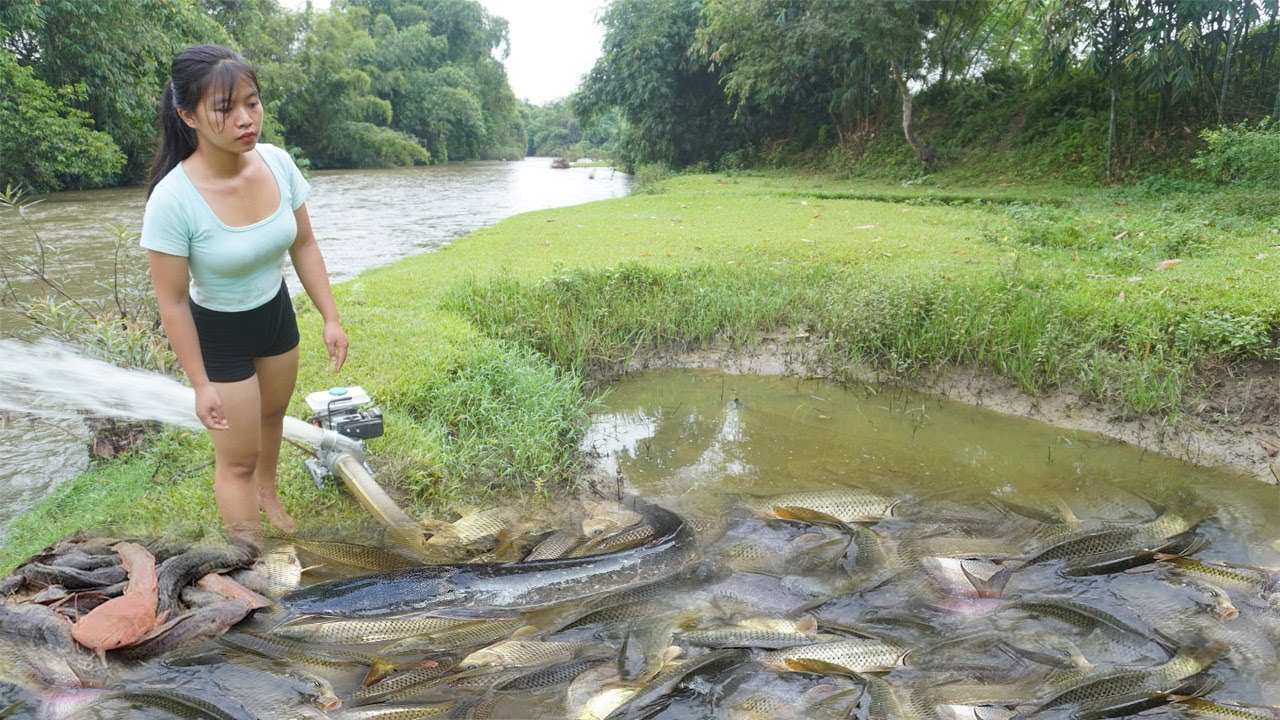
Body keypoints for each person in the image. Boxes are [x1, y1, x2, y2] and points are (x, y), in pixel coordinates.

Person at [141, 45, 347, 549]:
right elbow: (171, 302)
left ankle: (268, 494)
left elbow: (304, 242)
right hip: (220, 333)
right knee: (236, 459)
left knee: (273, 417)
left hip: (274, 313)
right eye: (225, 108)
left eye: (252, 103)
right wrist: (200, 384)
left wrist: (330, 316)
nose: (245, 119)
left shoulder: (276, 162)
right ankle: (248, 554)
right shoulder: (172, 200)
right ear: (188, 115)